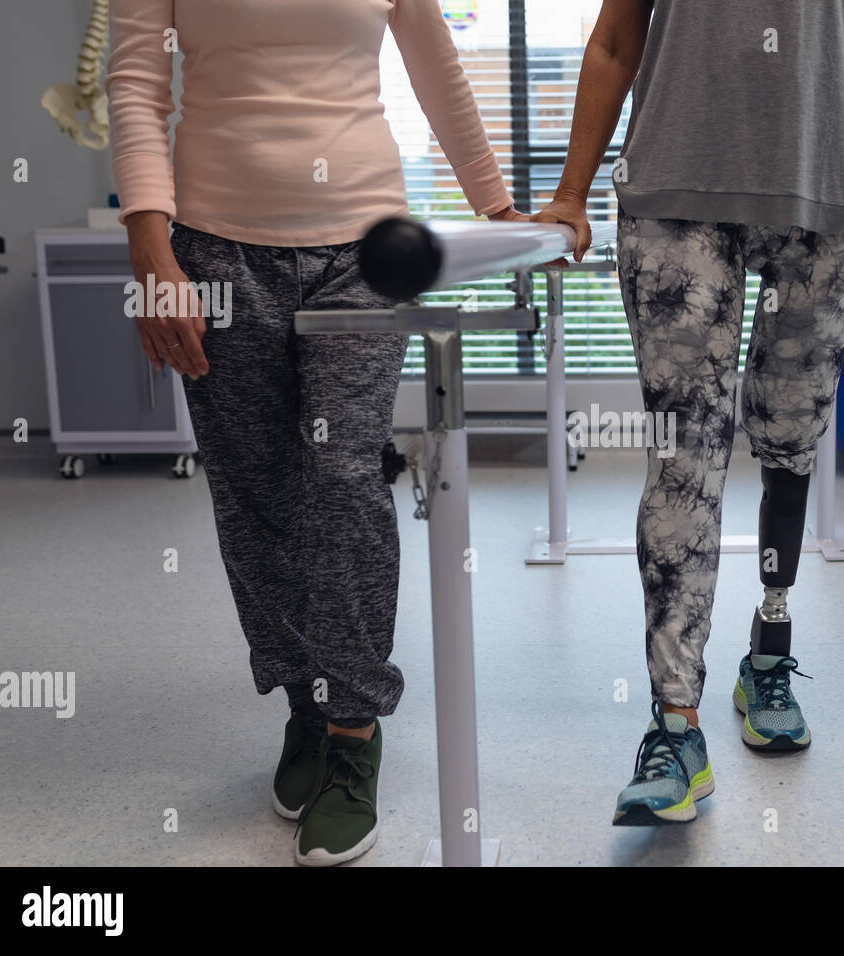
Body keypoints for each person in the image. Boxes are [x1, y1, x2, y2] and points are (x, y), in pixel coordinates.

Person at [106, 0, 521, 864]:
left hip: (363, 251)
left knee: (340, 480)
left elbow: (436, 68)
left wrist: (496, 205)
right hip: (214, 250)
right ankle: (305, 699)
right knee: (254, 496)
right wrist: (152, 250)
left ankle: (354, 732)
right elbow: (139, 82)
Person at [536, 0, 844, 824]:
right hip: (672, 193)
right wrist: (568, 193)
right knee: (684, 457)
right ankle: (674, 727)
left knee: (790, 439)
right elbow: (617, 38)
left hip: (825, 197)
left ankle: (769, 650)